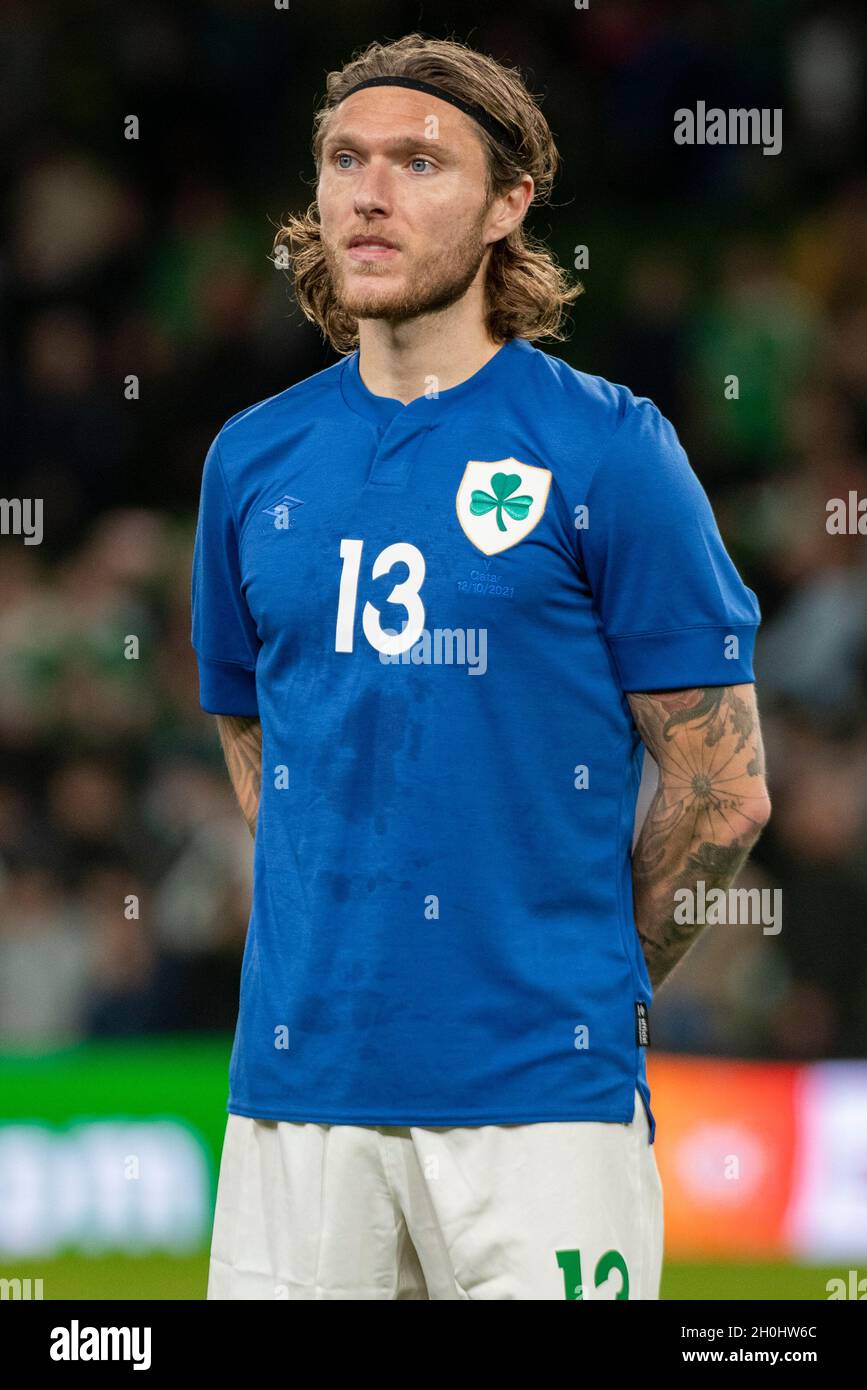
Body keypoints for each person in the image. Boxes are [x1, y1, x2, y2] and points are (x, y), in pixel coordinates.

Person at [191, 33, 771, 1300]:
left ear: (510, 204)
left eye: (418, 162)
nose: (369, 192)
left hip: (539, 1107)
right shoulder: (250, 462)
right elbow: (258, 740)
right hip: (299, 1097)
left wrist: (580, 975)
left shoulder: (609, 451)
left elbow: (723, 789)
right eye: (344, 159)